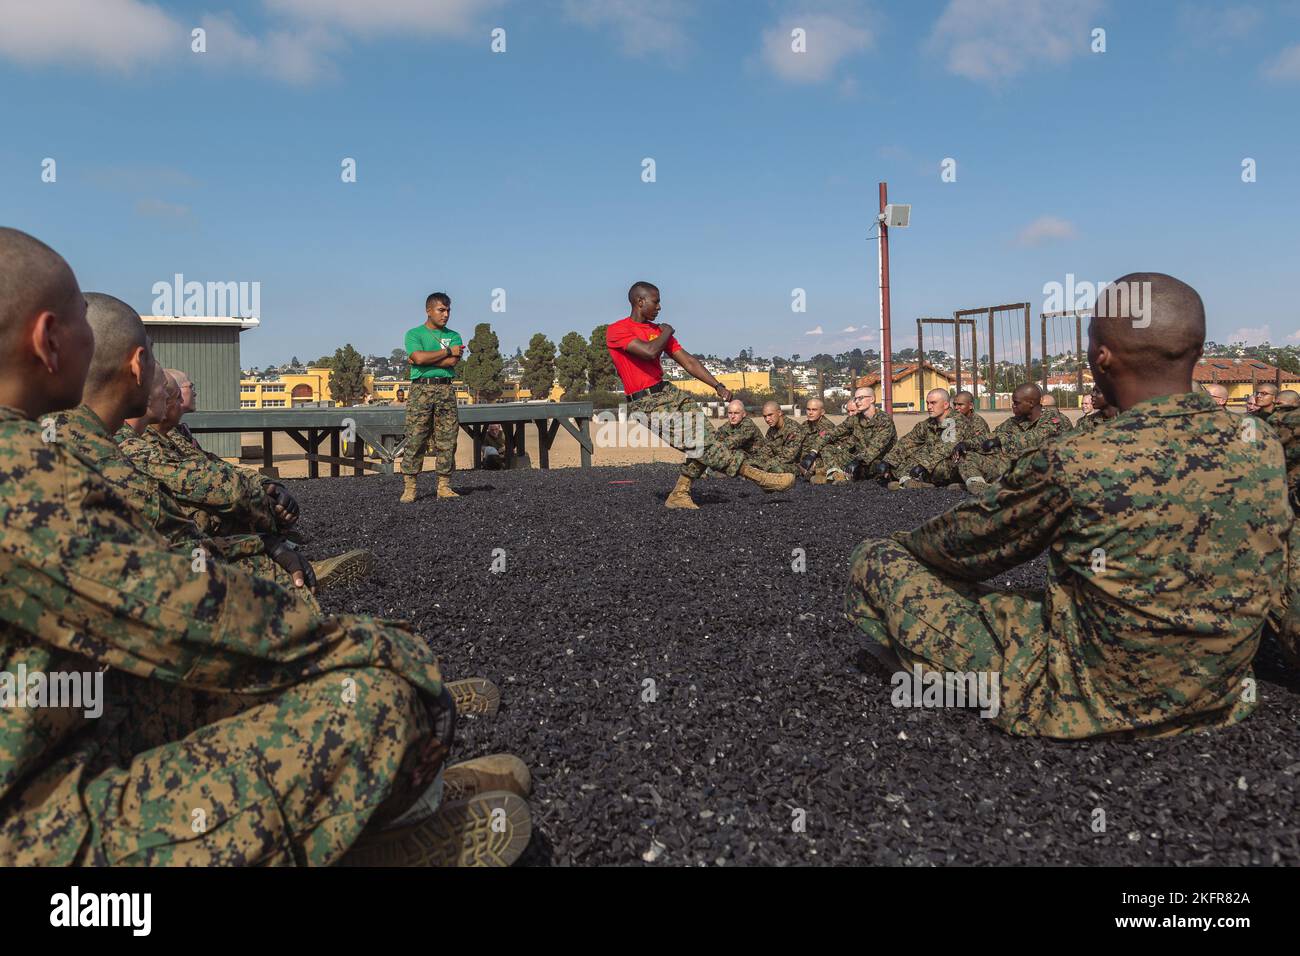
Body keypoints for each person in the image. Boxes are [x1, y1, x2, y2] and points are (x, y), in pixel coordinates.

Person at [0, 227, 533, 866]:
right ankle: (372, 827)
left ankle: (395, 795)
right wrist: (378, 650)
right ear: (50, 339)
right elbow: (183, 610)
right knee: (371, 702)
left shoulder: (37, 451)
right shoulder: (22, 469)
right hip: (36, 829)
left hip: (58, 737)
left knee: (237, 683)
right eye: (82, 318)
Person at [844, 272, 1290, 739]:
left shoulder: (1080, 457)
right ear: (1198, 353)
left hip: (1090, 698)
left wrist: (902, 544)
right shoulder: (1260, 443)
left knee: (876, 560)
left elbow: (961, 548)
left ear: (1101, 357)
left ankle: (936, 671)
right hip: (1219, 693)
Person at [57, 295, 369, 597]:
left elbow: (214, 470)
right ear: (138, 365)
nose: (172, 394)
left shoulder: (53, 441)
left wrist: (263, 518)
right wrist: (263, 544)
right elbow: (184, 545)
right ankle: (288, 584)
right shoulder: (116, 459)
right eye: (152, 358)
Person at [604, 281, 793, 509]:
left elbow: (689, 362)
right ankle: (762, 479)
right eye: (656, 301)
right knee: (701, 445)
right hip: (646, 403)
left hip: (668, 392)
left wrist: (717, 385)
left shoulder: (658, 332)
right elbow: (648, 352)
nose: (660, 307)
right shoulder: (617, 330)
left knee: (707, 440)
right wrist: (667, 331)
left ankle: (680, 493)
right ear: (639, 301)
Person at [401, 293, 463, 503]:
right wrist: (446, 352)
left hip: (446, 390)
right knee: (416, 438)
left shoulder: (454, 335)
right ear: (428, 310)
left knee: (448, 438)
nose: (446, 315)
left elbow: (452, 363)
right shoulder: (414, 333)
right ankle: (410, 487)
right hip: (421, 391)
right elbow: (418, 356)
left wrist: (423, 361)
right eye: (441, 310)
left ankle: (444, 486)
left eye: (448, 310)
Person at [957, 383, 1069, 491]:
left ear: (1030, 403)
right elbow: (994, 435)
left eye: (1017, 403)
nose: (1013, 405)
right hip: (1018, 466)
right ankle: (982, 488)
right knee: (967, 456)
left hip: (1048, 468)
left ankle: (1005, 490)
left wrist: (1001, 441)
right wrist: (968, 443)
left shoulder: (1055, 419)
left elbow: (1036, 437)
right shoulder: (1016, 421)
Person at [880, 388, 962, 490]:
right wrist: (888, 461)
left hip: (951, 462)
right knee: (897, 464)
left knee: (939, 467)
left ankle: (914, 481)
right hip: (930, 461)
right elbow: (907, 442)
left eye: (933, 403)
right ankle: (917, 483)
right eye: (927, 403)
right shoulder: (928, 423)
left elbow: (945, 448)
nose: (929, 407)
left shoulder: (956, 421)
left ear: (945, 405)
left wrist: (923, 466)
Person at [812, 386, 896, 483]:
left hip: (879, 461)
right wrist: (813, 451)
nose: (857, 401)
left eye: (861, 398)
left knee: (874, 468)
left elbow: (875, 448)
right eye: (856, 398)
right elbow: (833, 432)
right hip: (859, 458)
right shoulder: (855, 418)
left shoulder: (884, 420)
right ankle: (836, 475)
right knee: (828, 449)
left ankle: (836, 475)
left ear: (872, 399)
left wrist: (857, 461)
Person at [751, 400, 804, 476]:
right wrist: (755, 462)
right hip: (777, 462)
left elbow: (788, 457)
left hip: (795, 465)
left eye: (770, 415)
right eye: (765, 416)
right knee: (750, 463)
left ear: (779, 413)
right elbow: (766, 451)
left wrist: (764, 465)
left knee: (775, 469)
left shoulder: (793, 429)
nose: (767, 419)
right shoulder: (772, 429)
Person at [796, 397, 835, 483]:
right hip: (806, 458)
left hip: (821, 459)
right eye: (808, 409)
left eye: (814, 410)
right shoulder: (805, 425)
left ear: (822, 412)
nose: (810, 412)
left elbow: (822, 445)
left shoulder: (827, 426)